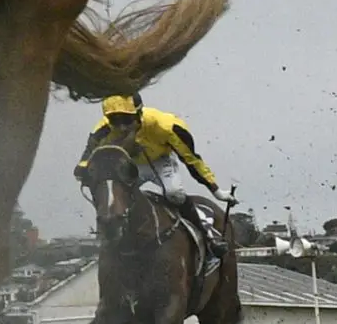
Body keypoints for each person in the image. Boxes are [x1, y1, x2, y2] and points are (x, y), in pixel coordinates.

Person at [74, 94, 230, 254]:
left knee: (174, 193)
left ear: (139, 114)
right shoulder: (103, 128)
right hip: (131, 165)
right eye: (115, 121)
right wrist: (82, 168)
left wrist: (216, 190)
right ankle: (111, 236)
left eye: (127, 121)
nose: (121, 128)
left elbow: (192, 160)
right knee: (113, 193)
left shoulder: (167, 126)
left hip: (161, 162)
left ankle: (208, 237)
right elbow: (88, 153)